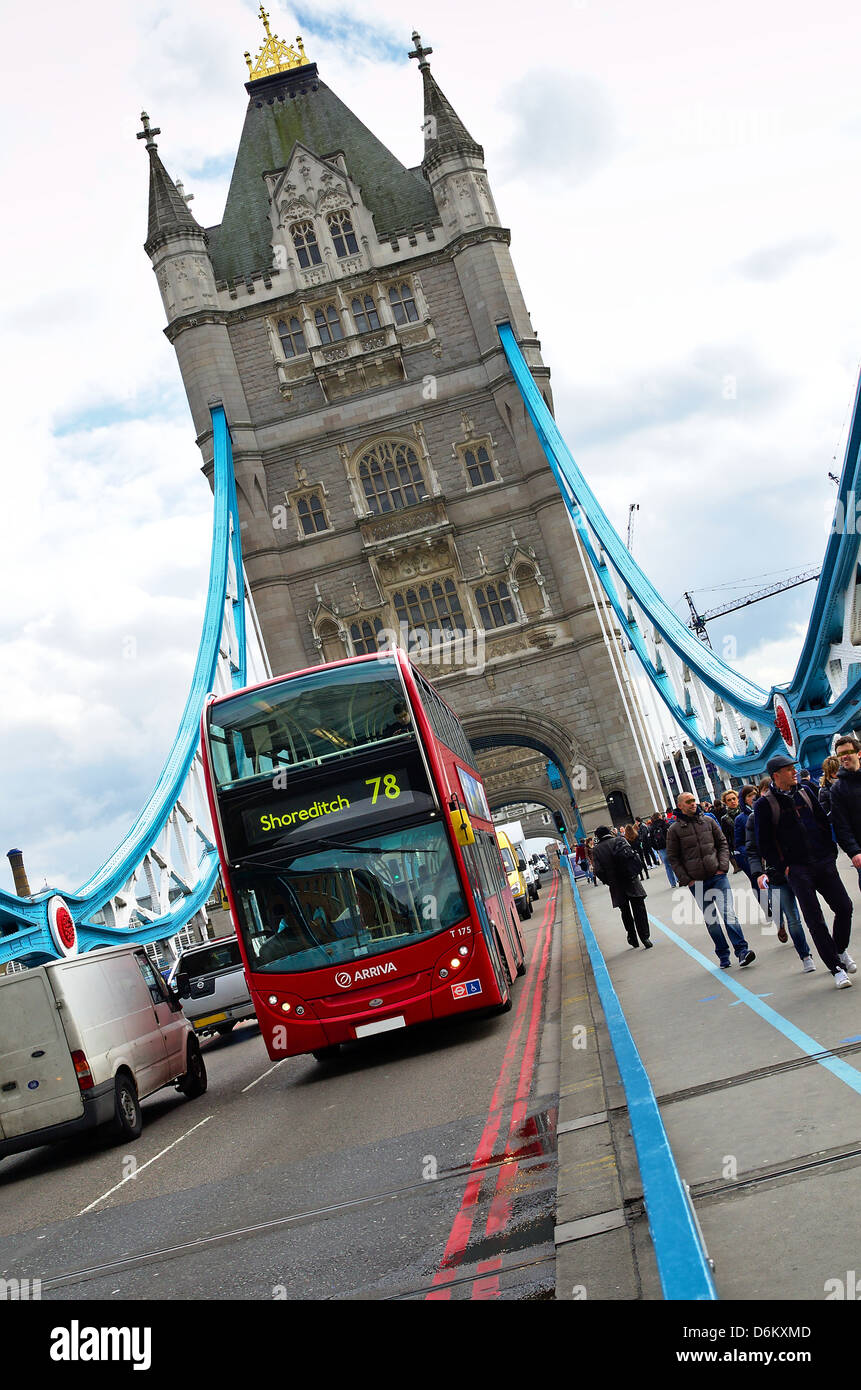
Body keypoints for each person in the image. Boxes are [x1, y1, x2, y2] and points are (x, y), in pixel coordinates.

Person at [753, 753, 854, 988]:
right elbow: (764, 843)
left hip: (822, 861)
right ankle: (836, 969)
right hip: (797, 869)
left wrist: (829, 852)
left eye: (794, 768)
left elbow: (821, 819)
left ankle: (838, 950)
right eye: (789, 769)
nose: (794, 772)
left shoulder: (806, 792)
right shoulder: (764, 805)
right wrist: (785, 868)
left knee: (844, 907)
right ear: (776, 776)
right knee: (814, 919)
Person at [666, 790, 755, 969]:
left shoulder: (708, 821)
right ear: (680, 806)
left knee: (727, 913)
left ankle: (742, 951)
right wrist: (687, 880)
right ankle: (723, 954)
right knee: (712, 920)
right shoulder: (674, 830)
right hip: (696, 882)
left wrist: (722, 867)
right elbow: (673, 858)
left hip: (717, 877)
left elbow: (722, 843)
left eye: (694, 800)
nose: (693, 803)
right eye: (688, 801)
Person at [745, 795, 814, 969]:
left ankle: (834, 953)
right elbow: (751, 848)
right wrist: (758, 873)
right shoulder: (753, 819)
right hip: (775, 874)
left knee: (813, 913)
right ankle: (805, 956)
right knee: (793, 917)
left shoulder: (790, 809)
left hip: (799, 868)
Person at [592, 825, 652, 948]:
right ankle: (645, 937)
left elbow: (598, 870)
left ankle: (632, 937)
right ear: (609, 832)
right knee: (639, 908)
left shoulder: (597, 850)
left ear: (598, 836)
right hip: (631, 879)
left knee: (625, 911)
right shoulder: (620, 840)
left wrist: (608, 881)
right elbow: (632, 857)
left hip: (616, 884)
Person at [827, 734, 861, 893]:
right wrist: (854, 852)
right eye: (840, 754)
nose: (844, 757)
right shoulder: (837, 790)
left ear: (859, 753)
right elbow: (841, 825)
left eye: (847, 752)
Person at [649, 812, 677, 887]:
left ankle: (672, 883)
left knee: (667, 866)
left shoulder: (651, 827)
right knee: (674, 863)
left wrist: (656, 848)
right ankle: (678, 878)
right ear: (659, 816)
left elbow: (651, 840)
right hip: (669, 845)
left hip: (661, 848)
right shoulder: (665, 823)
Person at [718, 790, 740, 873]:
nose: (732, 801)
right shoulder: (725, 819)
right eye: (729, 800)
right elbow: (726, 836)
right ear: (725, 803)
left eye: (734, 798)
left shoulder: (746, 812)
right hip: (738, 848)